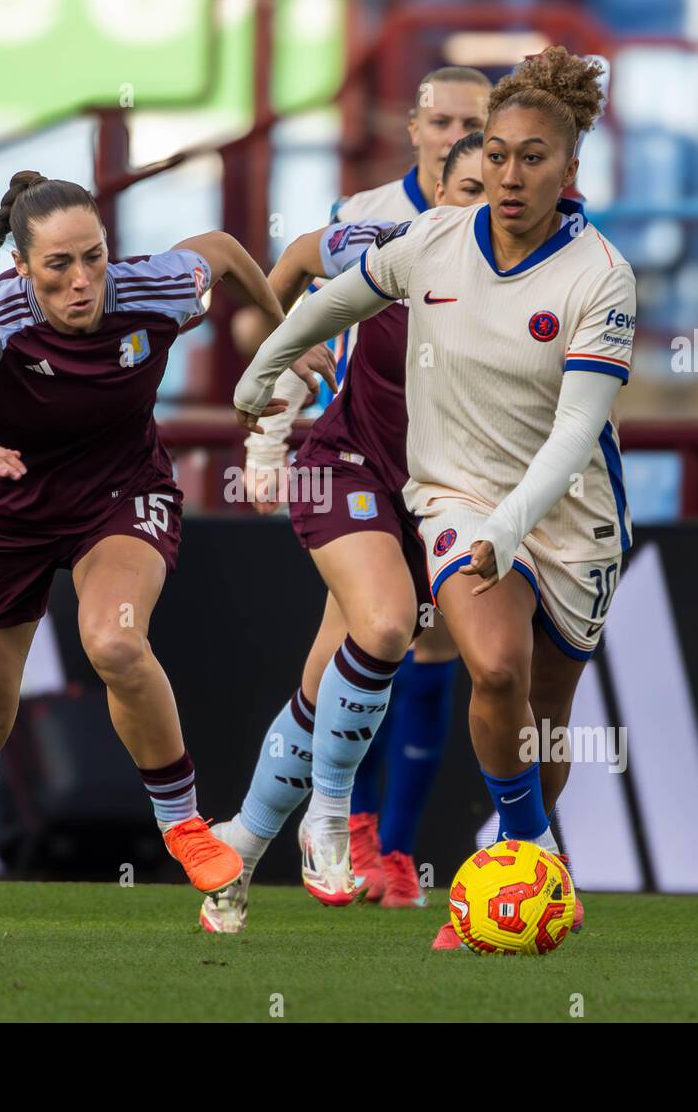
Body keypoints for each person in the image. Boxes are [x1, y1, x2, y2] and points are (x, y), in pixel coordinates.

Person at [0, 171, 330, 942]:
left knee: (113, 638)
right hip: (5, 510)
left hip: (119, 493)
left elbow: (230, 253)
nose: (83, 282)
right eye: (59, 267)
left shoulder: (156, 288)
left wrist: (285, 349)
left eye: (95, 258)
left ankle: (183, 824)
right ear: (22, 268)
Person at [233, 47, 636, 949]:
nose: (508, 173)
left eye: (533, 157)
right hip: (454, 493)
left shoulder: (600, 275)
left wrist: (515, 523)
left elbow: (577, 432)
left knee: (544, 719)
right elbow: (331, 298)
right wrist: (262, 374)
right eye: (496, 153)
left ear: (570, 171)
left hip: (569, 517)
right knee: (492, 666)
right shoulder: (430, 237)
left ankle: (512, 851)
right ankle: (523, 862)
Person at [201, 134, 488, 935]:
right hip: (345, 464)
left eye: (492, 187)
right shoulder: (385, 245)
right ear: (437, 190)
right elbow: (294, 258)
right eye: (463, 185)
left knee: (326, 677)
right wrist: (284, 350)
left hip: (437, 498)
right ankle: (330, 815)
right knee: (389, 624)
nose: (478, 201)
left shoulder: (535, 286)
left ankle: (239, 853)